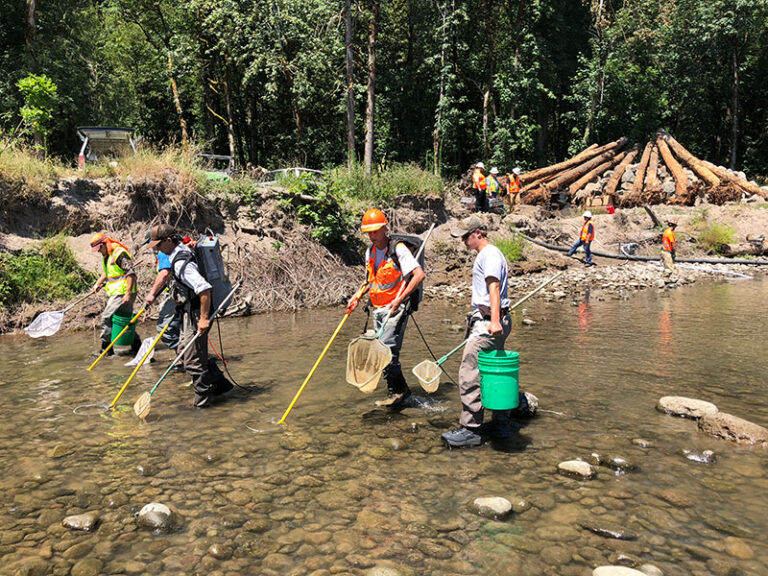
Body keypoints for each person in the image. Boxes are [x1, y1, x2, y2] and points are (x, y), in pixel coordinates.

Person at [442, 216, 513, 448]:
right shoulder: (489, 254)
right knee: (493, 370)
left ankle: (471, 428)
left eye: (466, 236)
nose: (463, 241)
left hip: (488, 322)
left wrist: (494, 321)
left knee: (469, 370)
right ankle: (501, 423)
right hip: (492, 319)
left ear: (478, 234)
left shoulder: (489, 255)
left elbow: (493, 287)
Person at [347, 209, 426, 409]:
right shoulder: (370, 252)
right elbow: (369, 280)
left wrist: (399, 299)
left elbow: (418, 275)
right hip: (378, 308)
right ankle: (399, 391)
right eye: (369, 232)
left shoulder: (398, 249)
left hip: (396, 308)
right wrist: (357, 296)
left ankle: (399, 393)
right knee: (382, 351)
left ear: (384, 228)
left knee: (387, 351)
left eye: (375, 231)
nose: (372, 236)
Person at [147, 224, 232, 408]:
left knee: (193, 361)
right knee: (186, 353)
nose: (156, 250)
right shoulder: (178, 253)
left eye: (158, 245)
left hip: (196, 315)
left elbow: (204, 289)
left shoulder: (180, 263)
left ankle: (202, 404)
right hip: (188, 313)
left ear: (168, 241)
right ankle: (222, 386)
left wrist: (203, 319)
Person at [89, 232, 141, 355]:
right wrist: (97, 284)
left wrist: (127, 293)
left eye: (98, 249)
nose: (98, 252)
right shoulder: (107, 255)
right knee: (123, 319)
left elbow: (131, 273)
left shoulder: (119, 253)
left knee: (107, 318)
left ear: (104, 244)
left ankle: (106, 349)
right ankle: (137, 346)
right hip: (118, 292)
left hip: (123, 292)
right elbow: (107, 272)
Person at [142, 229, 181, 351]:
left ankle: (186, 358)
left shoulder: (163, 250)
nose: (152, 248)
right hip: (182, 292)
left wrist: (152, 294)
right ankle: (190, 357)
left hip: (179, 293)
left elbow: (164, 273)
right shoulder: (177, 247)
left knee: (164, 328)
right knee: (180, 326)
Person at [661, 216, 678, 283]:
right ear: (674, 226)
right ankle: (664, 280)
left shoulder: (666, 231)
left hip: (663, 251)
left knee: (667, 266)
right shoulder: (670, 233)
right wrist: (674, 252)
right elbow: (672, 244)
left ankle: (665, 279)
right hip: (667, 252)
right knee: (669, 268)